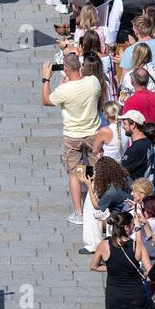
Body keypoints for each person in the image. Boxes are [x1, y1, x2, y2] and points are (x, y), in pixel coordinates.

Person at [42, 51, 102, 225]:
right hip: (92, 133)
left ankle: (78, 212)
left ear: (65, 69)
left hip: (73, 136)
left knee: (75, 172)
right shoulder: (93, 82)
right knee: (94, 169)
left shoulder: (63, 90)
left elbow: (46, 100)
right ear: (80, 67)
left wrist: (46, 79)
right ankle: (96, 204)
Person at [90, 211, 150, 309]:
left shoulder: (104, 245)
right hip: (135, 295)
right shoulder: (136, 245)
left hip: (114, 295)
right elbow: (143, 264)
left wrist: (113, 269)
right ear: (127, 227)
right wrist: (139, 230)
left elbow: (94, 266)